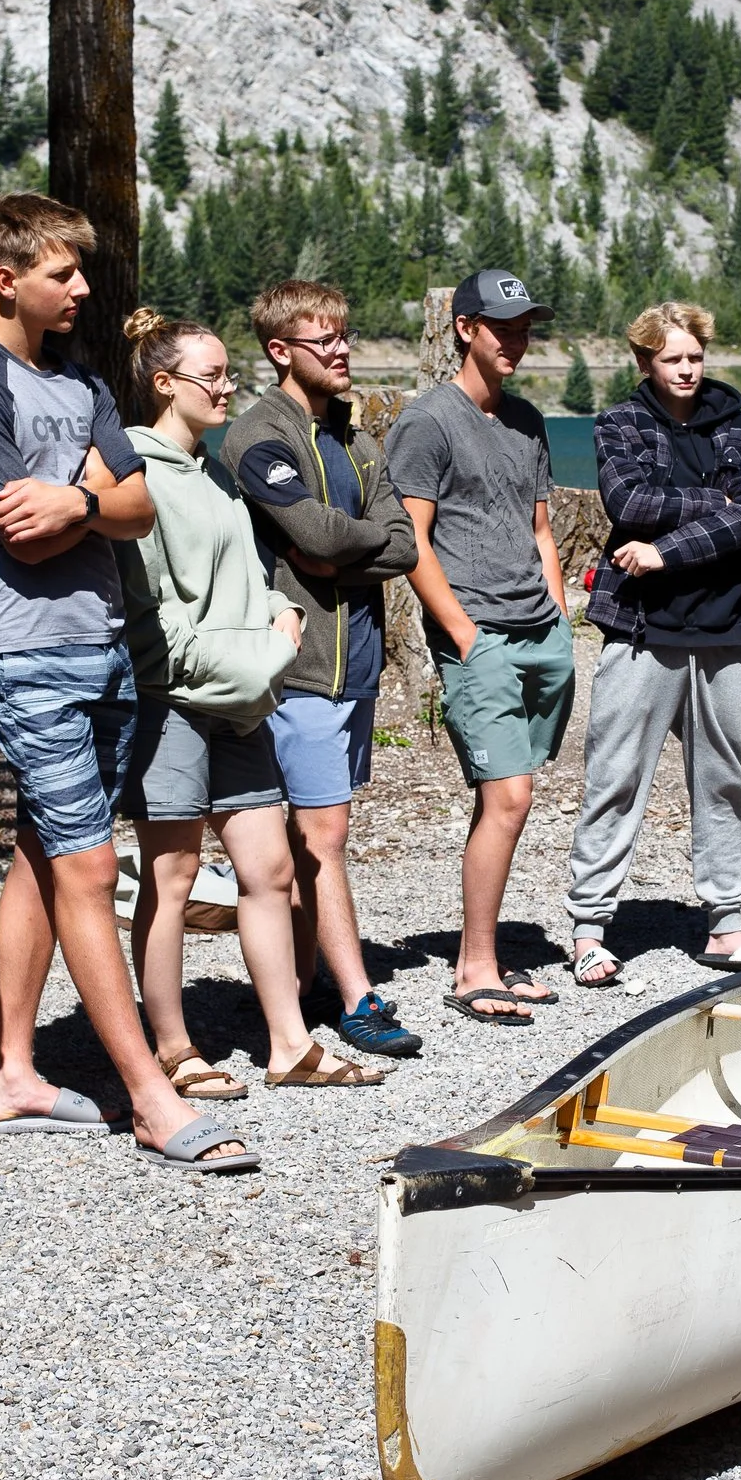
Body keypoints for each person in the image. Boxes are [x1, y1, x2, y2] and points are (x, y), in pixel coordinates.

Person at [0, 191, 251, 1173]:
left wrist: (75, 497)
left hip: (102, 645)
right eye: (61, 273)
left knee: (44, 850)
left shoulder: (81, 379)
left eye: (81, 271)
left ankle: (10, 1076)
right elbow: (19, 535)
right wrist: (88, 496)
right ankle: (151, 1095)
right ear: (6, 279)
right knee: (88, 866)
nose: (81, 289)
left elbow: (138, 506)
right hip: (23, 651)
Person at [117, 308, 387, 1094]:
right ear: (164, 383)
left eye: (228, 373)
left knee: (268, 869)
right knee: (171, 875)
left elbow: (245, 578)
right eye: (212, 376)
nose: (228, 387)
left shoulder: (212, 473)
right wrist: (267, 651)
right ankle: (173, 1047)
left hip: (238, 698)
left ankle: (289, 1043)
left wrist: (277, 609)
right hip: (175, 701)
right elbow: (154, 618)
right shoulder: (138, 477)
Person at [224, 279, 422, 1057]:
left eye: (345, 336)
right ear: (281, 350)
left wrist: (339, 552)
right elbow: (314, 533)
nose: (342, 350)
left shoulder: (353, 434)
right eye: (325, 340)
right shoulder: (256, 436)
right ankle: (356, 998)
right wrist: (339, 541)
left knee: (315, 836)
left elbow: (403, 543)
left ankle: (300, 979)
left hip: (356, 664)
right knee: (323, 833)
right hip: (298, 667)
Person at [387, 268, 575, 1024]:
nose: (517, 341)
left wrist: (558, 615)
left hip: (540, 632)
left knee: (508, 795)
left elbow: (540, 528)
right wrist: (464, 635)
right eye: (503, 328)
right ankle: (474, 970)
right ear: (465, 328)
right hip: (482, 635)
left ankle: (482, 951)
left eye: (525, 328)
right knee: (509, 796)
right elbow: (412, 541)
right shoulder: (428, 422)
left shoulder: (527, 420)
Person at [566, 301, 741, 986]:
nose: (686, 369)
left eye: (694, 357)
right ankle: (590, 928)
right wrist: (716, 505)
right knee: (616, 775)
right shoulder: (619, 423)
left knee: (724, 779)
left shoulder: (737, 424)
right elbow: (629, 504)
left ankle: (726, 920)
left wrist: (664, 551)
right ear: (644, 361)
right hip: (642, 625)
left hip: (725, 623)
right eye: (671, 358)